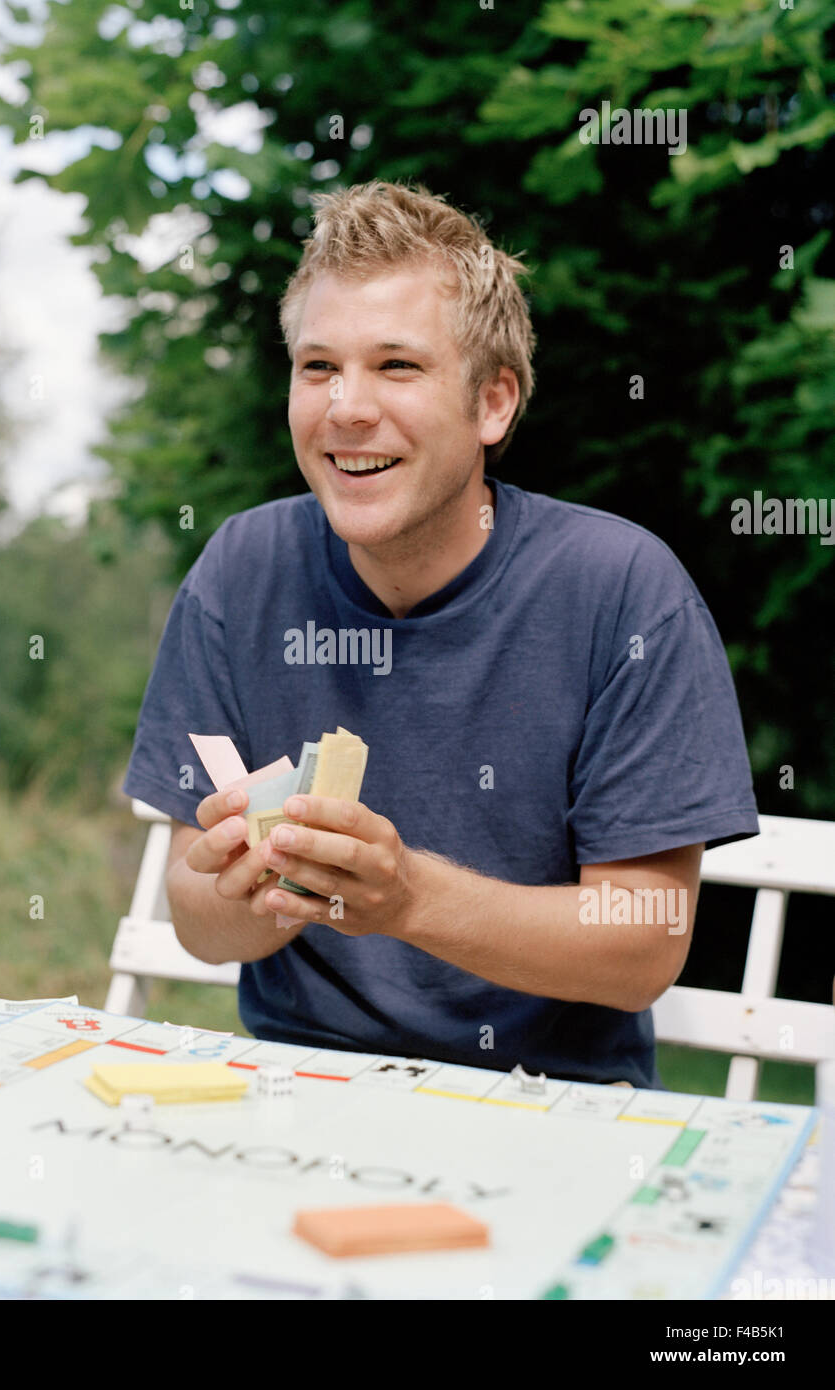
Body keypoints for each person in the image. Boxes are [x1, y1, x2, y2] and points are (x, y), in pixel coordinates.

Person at [123, 181, 758, 1088]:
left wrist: (406, 897)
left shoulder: (623, 590)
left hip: (553, 1114)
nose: (346, 407)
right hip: (299, 1098)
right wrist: (258, 889)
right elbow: (196, 917)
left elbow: (644, 943)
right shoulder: (242, 569)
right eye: (318, 367)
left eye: (397, 366)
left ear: (494, 404)